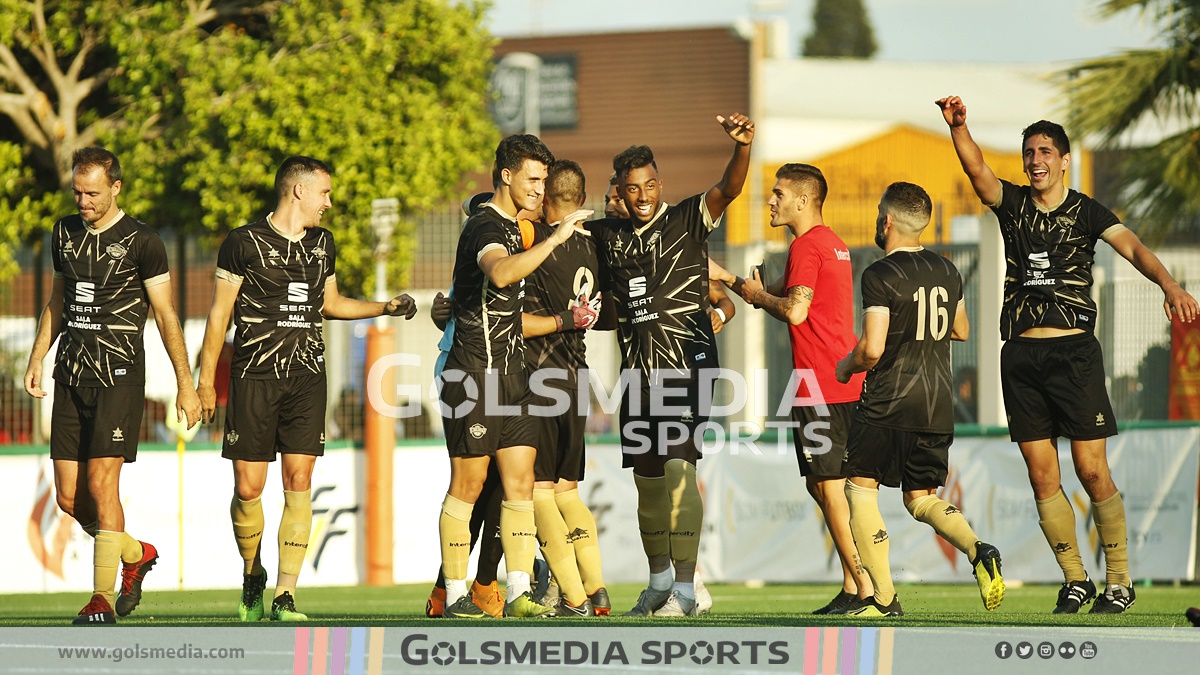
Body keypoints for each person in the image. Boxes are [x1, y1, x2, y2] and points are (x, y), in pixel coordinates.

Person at [937, 95, 1200, 613]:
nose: (1035, 160)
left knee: (1092, 469)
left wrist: (1169, 284)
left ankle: (1120, 580)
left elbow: (1136, 250)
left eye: (1044, 152)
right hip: (1020, 358)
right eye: (1028, 152)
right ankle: (1075, 579)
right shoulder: (1011, 206)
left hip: (1075, 355)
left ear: (1062, 160)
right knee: (1041, 473)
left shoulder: (1087, 211)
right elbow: (977, 171)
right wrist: (960, 129)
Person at [196, 156, 417, 622]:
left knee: (299, 482)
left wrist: (385, 306)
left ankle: (285, 595)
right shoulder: (243, 242)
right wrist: (200, 381)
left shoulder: (322, 244)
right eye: (325, 193)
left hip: (306, 378)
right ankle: (253, 573)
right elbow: (219, 316)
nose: (329, 204)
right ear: (298, 191)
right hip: (252, 378)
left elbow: (330, 303)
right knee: (248, 488)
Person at [23, 147, 202, 624]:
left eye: (93, 193)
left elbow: (165, 315)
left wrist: (186, 384)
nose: (83, 201)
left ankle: (100, 599)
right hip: (70, 374)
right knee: (68, 498)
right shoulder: (64, 231)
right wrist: (38, 356)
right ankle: (135, 553)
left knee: (104, 485)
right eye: (78, 192)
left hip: (119, 377)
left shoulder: (144, 241)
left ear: (116, 188)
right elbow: (57, 301)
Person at [590, 113, 754, 617]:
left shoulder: (687, 219)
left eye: (649, 185)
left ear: (660, 183)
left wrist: (743, 147)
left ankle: (687, 589)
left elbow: (729, 187)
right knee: (647, 481)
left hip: (687, 370)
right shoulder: (606, 236)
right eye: (632, 188)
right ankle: (659, 581)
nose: (642, 195)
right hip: (636, 377)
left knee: (682, 471)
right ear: (619, 190)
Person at [437, 134, 593, 619]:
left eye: (544, 179)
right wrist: (555, 239)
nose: (539, 188)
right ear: (506, 176)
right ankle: (457, 592)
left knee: (519, 483)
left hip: (516, 373)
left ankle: (519, 587)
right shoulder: (485, 227)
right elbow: (500, 273)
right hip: (473, 374)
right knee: (469, 481)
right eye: (532, 178)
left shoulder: (514, 221)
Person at [835, 181, 1005, 617]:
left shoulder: (878, 273)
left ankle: (883, 599)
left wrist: (845, 367)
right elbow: (961, 329)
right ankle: (977, 549)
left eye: (878, 212)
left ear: (887, 220)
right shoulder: (947, 270)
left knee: (860, 488)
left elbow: (871, 349)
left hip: (889, 399)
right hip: (937, 403)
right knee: (921, 498)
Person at [714, 163, 874, 615]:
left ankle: (869, 590)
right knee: (819, 486)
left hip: (823, 384)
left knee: (829, 487)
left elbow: (795, 311)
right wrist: (735, 283)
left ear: (803, 201)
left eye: (779, 193)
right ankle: (853, 584)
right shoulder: (833, 243)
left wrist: (756, 294)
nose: (771, 199)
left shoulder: (806, 245)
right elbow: (780, 296)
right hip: (836, 381)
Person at [521, 159, 609, 617]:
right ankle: (596, 589)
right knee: (567, 492)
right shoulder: (595, 246)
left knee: (536, 492)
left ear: (547, 197)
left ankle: (571, 595)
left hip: (539, 378)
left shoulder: (536, 241)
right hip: (577, 378)